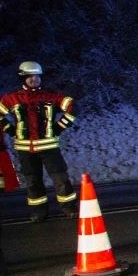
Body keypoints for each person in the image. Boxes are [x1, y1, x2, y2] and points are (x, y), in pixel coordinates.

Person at [0, 61, 79, 222]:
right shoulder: (12, 98)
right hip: (25, 149)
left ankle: (70, 209)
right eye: (29, 77)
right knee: (32, 182)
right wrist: (9, 130)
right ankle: (38, 212)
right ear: (23, 79)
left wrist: (59, 127)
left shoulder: (50, 96)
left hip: (49, 147)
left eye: (36, 76)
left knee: (61, 179)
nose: (34, 79)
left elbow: (72, 107)